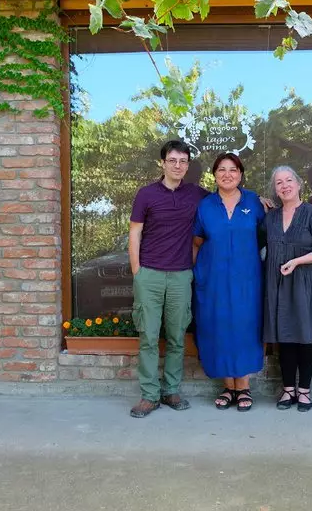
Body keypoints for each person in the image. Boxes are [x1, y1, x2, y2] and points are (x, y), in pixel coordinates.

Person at [128, 140, 208, 418]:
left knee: (176, 337)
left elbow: (227, 197)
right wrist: (137, 271)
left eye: (183, 161)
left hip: (181, 276)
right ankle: (149, 395)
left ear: (188, 165)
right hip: (149, 274)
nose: (178, 165)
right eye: (173, 160)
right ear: (163, 163)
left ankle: (171, 390)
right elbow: (135, 233)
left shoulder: (197, 194)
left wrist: (257, 200)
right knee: (149, 337)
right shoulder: (146, 194)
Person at [193, 153, 265, 411]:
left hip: (248, 279)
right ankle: (228, 387)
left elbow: (266, 235)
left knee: (245, 327)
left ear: (241, 174)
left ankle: (243, 387)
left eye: (233, 169)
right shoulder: (206, 206)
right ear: (214, 175)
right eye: (221, 169)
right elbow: (197, 242)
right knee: (220, 327)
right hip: (213, 280)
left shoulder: (254, 202)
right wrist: (194, 274)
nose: (227, 174)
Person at [263, 166, 312, 412]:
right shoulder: (270, 217)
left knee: (305, 337)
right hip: (278, 284)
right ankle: (288, 390)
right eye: (279, 182)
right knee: (285, 338)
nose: (284, 185)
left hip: (306, 284)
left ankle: (304, 391)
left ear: (299, 184)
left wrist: (297, 261)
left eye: (289, 180)